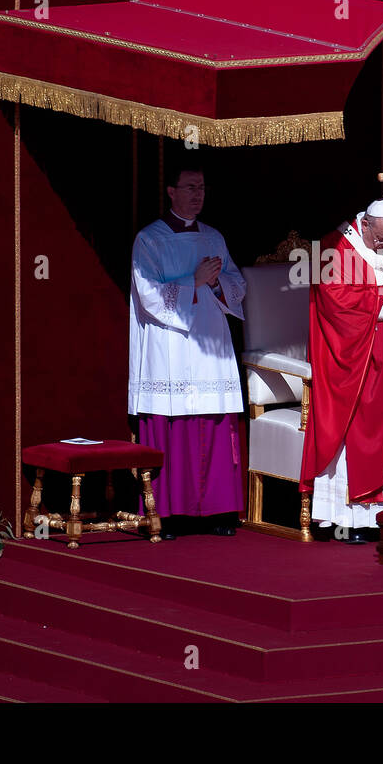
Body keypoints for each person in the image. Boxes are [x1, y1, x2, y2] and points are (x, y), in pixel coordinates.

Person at [300, 199, 383, 542]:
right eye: (382, 240)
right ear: (367, 225)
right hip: (355, 363)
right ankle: (353, 518)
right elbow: (333, 302)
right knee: (361, 427)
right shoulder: (334, 246)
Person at [129, 163, 247, 538]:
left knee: (212, 420)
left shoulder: (213, 237)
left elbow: (237, 284)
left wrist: (215, 286)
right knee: (173, 426)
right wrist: (192, 282)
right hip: (171, 345)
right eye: (190, 187)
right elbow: (147, 295)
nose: (198, 194)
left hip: (210, 342)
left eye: (202, 188)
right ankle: (167, 512)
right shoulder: (149, 240)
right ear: (170, 191)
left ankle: (216, 510)